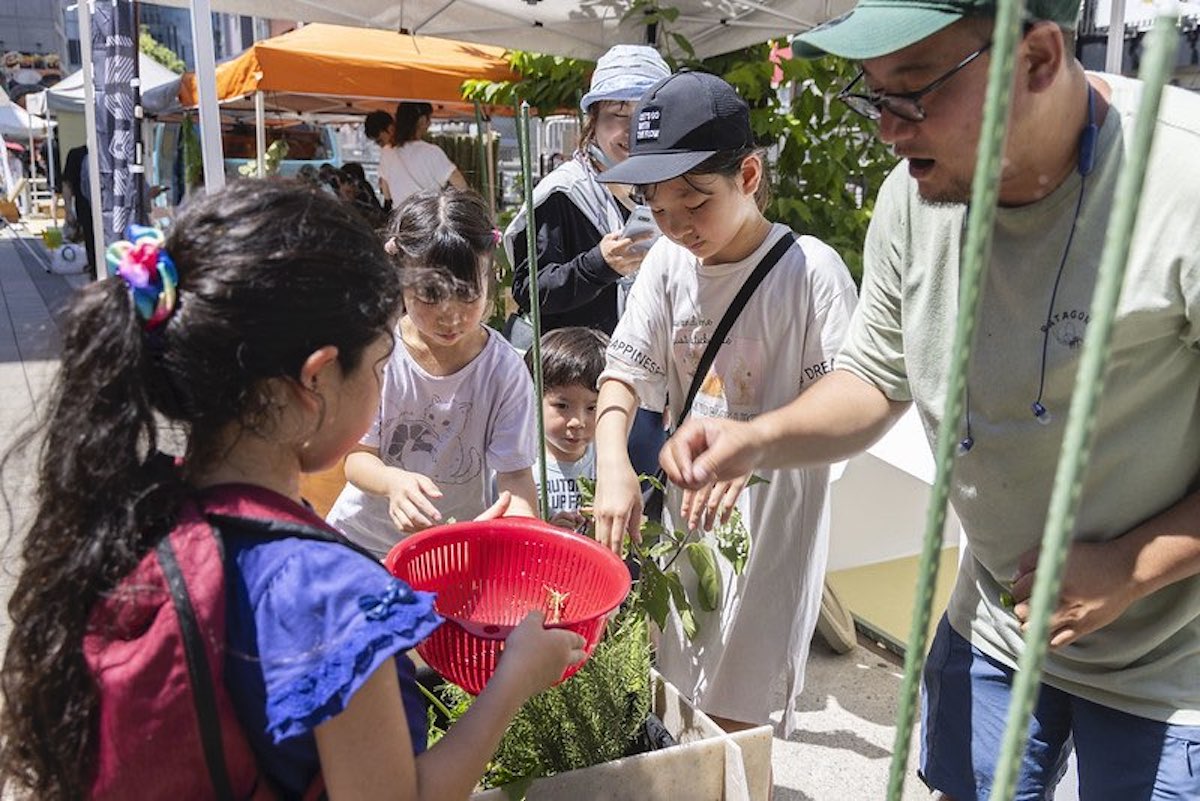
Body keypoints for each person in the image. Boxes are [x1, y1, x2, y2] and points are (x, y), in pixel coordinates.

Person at [659, 2, 1200, 798]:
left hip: (1169, 660)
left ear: (1039, 60)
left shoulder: (1179, 188)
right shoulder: (915, 195)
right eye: (872, 95)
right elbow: (875, 379)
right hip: (995, 623)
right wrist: (757, 437)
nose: (887, 129)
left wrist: (1130, 564)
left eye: (912, 92)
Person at [0, 179, 586, 799]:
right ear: (317, 380)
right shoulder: (333, 598)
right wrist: (513, 681)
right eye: (380, 365)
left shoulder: (130, 514)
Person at [591, 71, 857, 734]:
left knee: (740, 725)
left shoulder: (809, 271)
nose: (677, 224)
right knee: (678, 709)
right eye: (657, 206)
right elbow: (624, 372)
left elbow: (847, 399)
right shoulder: (665, 264)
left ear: (747, 175)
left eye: (695, 200)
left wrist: (759, 444)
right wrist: (613, 464)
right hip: (687, 530)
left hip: (772, 537)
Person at [326, 188, 540, 558]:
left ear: (491, 277)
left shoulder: (505, 371)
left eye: (468, 294)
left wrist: (521, 528)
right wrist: (392, 481)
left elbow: (516, 475)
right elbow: (358, 459)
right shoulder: (379, 354)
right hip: (364, 545)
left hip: (450, 551)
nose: (451, 314)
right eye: (430, 295)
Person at [502, 44, 672, 483]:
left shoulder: (665, 189)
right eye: (618, 115)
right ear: (592, 120)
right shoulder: (564, 194)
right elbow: (530, 292)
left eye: (646, 115)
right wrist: (599, 264)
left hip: (644, 386)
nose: (632, 130)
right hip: (577, 397)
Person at [524, 326, 609, 529]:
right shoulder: (520, 466)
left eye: (592, 407)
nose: (577, 421)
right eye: (562, 406)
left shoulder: (606, 459)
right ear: (532, 398)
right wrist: (549, 530)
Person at [366, 104, 469, 208]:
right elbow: (460, 184)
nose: (430, 123)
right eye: (429, 118)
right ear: (423, 120)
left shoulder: (387, 152)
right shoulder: (432, 151)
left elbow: (386, 192)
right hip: (427, 216)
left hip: (402, 216)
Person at [59, 144, 95, 271]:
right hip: (84, 206)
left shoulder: (111, 153)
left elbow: (66, 184)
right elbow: (67, 184)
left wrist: (68, 209)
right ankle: (93, 267)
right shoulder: (77, 154)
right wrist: (68, 210)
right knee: (89, 237)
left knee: (90, 237)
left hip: (85, 206)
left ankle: (94, 268)